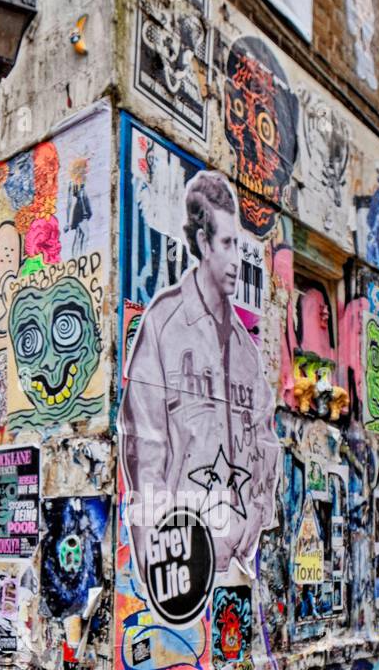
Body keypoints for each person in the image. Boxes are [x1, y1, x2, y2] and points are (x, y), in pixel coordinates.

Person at [119, 169, 278, 582]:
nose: (235, 260)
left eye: (239, 246)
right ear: (204, 242)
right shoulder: (164, 324)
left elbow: (265, 439)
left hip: (239, 569)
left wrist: (256, 519)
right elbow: (144, 449)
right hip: (182, 571)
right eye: (227, 244)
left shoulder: (246, 350)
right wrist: (161, 569)